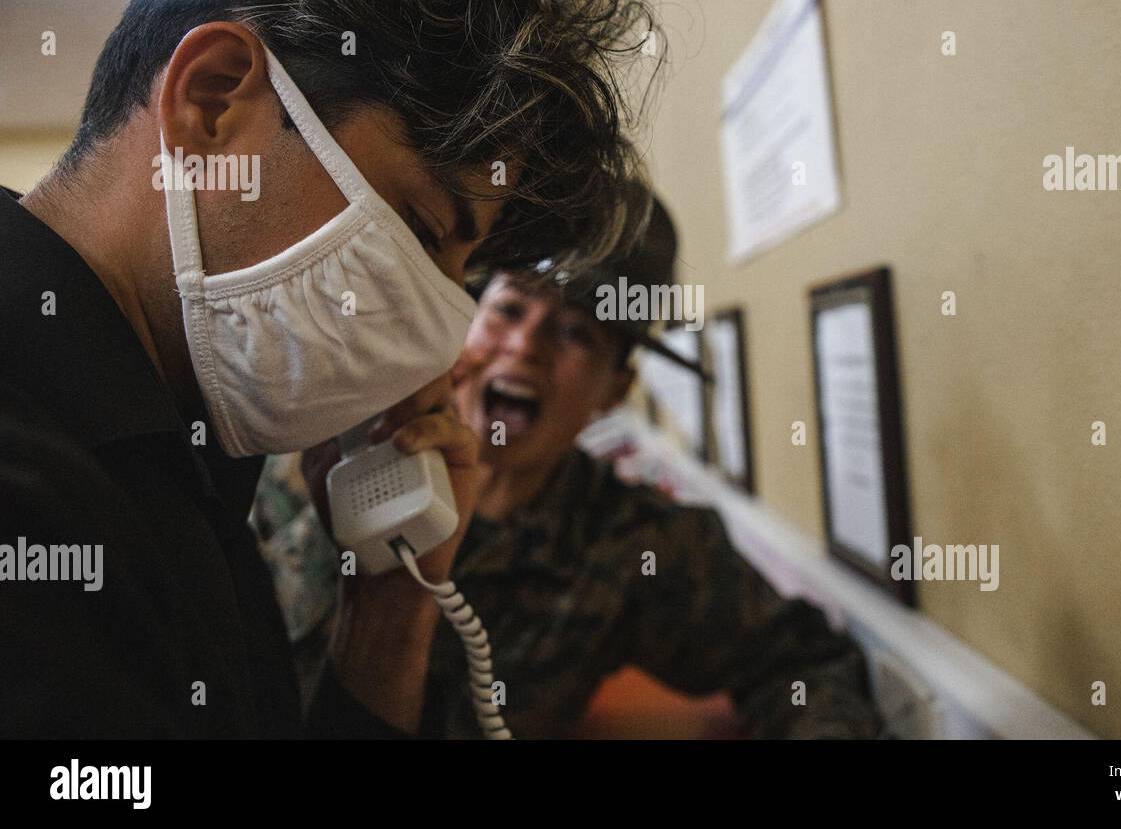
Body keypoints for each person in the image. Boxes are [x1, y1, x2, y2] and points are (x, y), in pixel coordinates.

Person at [0, 0, 653, 738]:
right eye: (420, 229)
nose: (439, 346)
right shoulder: (33, 499)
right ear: (212, 102)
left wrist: (389, 608)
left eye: (458, 274)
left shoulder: (188, 451)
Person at [282, 195, 884, 738]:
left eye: (575, 332)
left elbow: (798, 661)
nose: (525, 347)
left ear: (615, 391)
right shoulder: (333, 450)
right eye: (509, 309)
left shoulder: (632, 545)